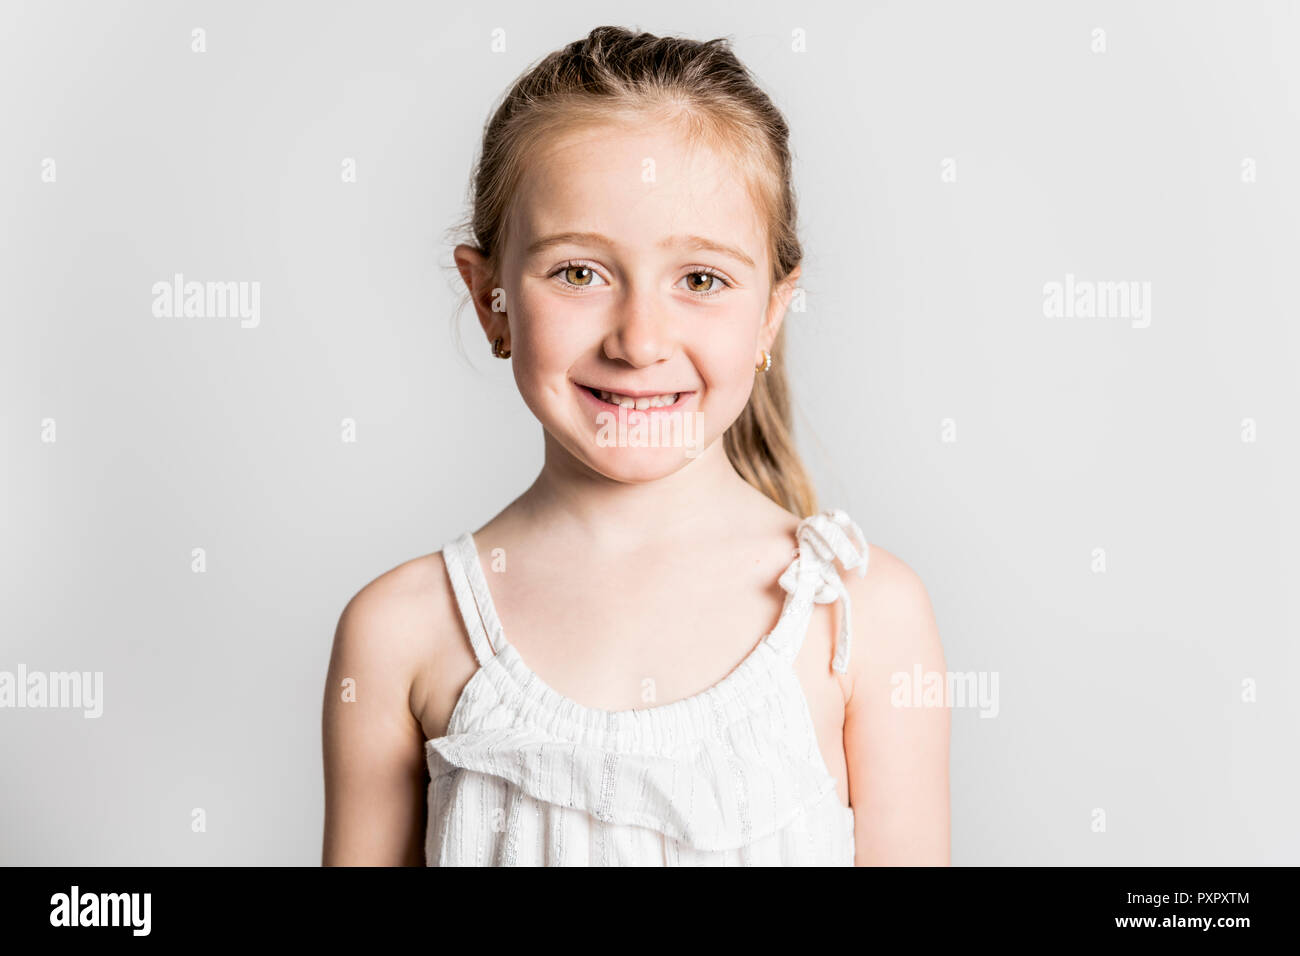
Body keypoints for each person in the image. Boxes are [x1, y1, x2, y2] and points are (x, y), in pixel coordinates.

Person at [322, 25, 949, 866]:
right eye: (579, 272)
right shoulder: (401, 632)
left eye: (701, 279)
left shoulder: (862, 620)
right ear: (489, 299)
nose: (640, 341)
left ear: (770, 309)